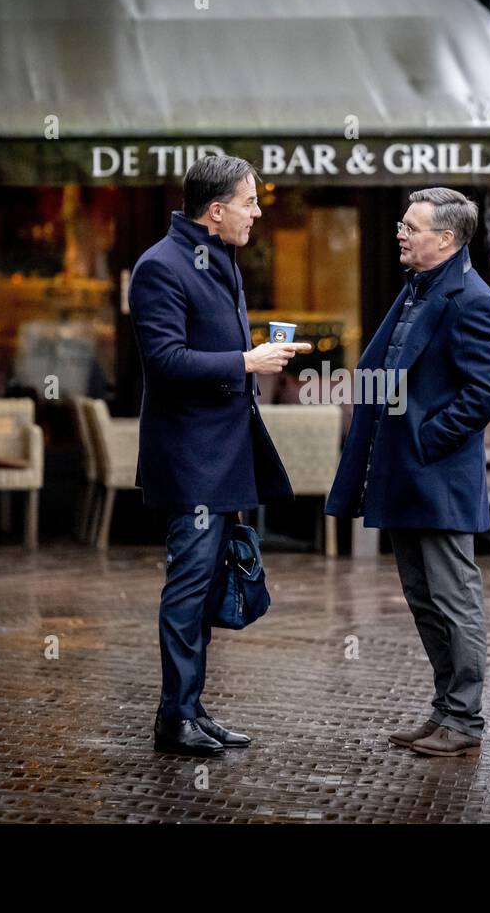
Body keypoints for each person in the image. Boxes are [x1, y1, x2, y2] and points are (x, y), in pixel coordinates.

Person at [128, 155, 308, 756]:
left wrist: (256, 356)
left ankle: (190, 710)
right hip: (190, 460)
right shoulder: (159, 267)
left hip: (223, 455)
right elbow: (165, 361)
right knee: (188, 588)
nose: (257, 212)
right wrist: (246, 362)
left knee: (206, 588)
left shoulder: (220, 260)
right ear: (216, 210)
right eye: (250, 202)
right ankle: (172, 720)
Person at [326, 187, 490, 757]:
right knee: (423, 599)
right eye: (401, 223)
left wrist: (426, 439)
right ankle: (443, 712)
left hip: (438, 478)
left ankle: (465, 719)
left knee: (454, 599)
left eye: (412, 226)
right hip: (405, 474)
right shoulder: (416, 289)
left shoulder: (471, 299)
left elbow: (484, 395)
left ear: (446, 239)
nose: (400, 233)